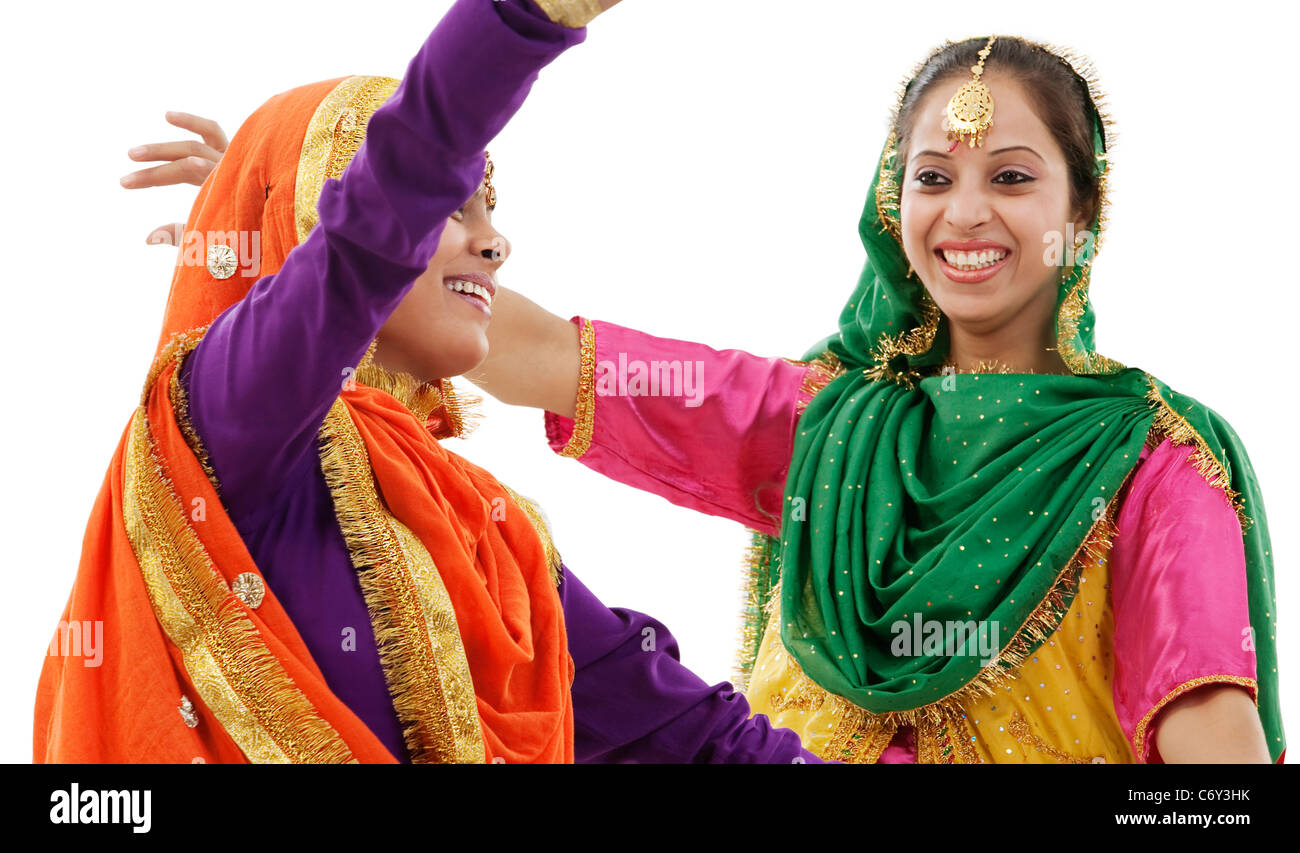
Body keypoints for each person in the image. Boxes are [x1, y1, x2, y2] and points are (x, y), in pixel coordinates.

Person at [119, 34, 1286, 763]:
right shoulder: (826, 432)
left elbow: (1209, 740)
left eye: (1012, 178)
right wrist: (309, 221)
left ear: (1080, 217)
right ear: (892, 209)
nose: (964, 212)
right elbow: (530, 349)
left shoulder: (1149, 458)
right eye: (932, 177)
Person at [35, 0, 824, 764]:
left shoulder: (487, 531)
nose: (496, 242)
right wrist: (521, 17)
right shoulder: (229, 422)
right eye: (450, 207)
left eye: (489, 207)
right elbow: (372, 224)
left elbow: (694, 737)